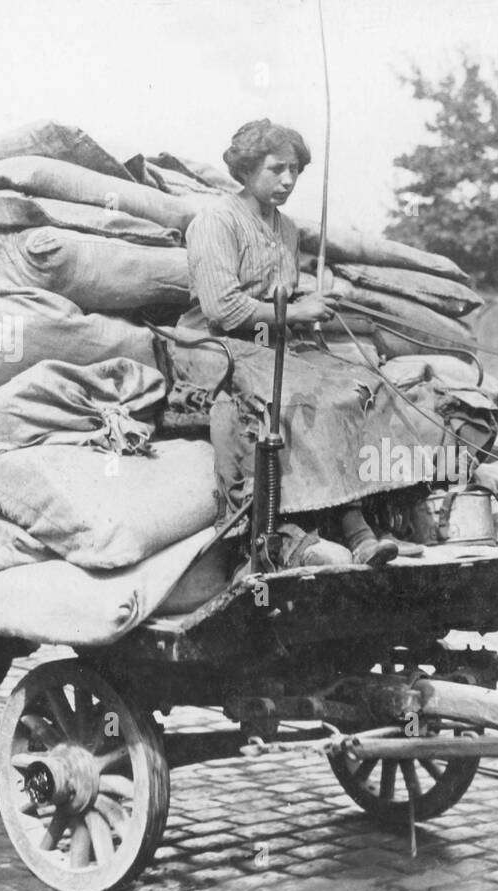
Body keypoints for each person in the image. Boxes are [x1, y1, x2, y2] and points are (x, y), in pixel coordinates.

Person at [179, 119, 412, 568]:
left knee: (354, 386)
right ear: (247, 170)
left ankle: (362, 525)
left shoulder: (285, 229)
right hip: (211, 345)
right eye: (276, 168)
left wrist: (311, 303)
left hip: (271, 342)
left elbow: (277, 290)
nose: (288, 180)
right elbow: (222, 309)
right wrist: (294, 313)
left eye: (295, 171)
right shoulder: (215, 221)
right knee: (291, 398)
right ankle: (283, 532)